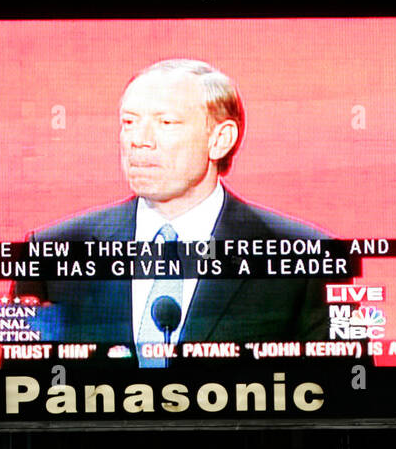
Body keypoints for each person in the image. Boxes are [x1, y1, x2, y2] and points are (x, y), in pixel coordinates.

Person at [25, 58, 331, 360]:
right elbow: (18, 388)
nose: (139, 141)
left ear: (220, 140)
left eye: (166, 122)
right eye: (129, 122)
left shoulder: (302, 254)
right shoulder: (54, 250)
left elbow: (338, 391)